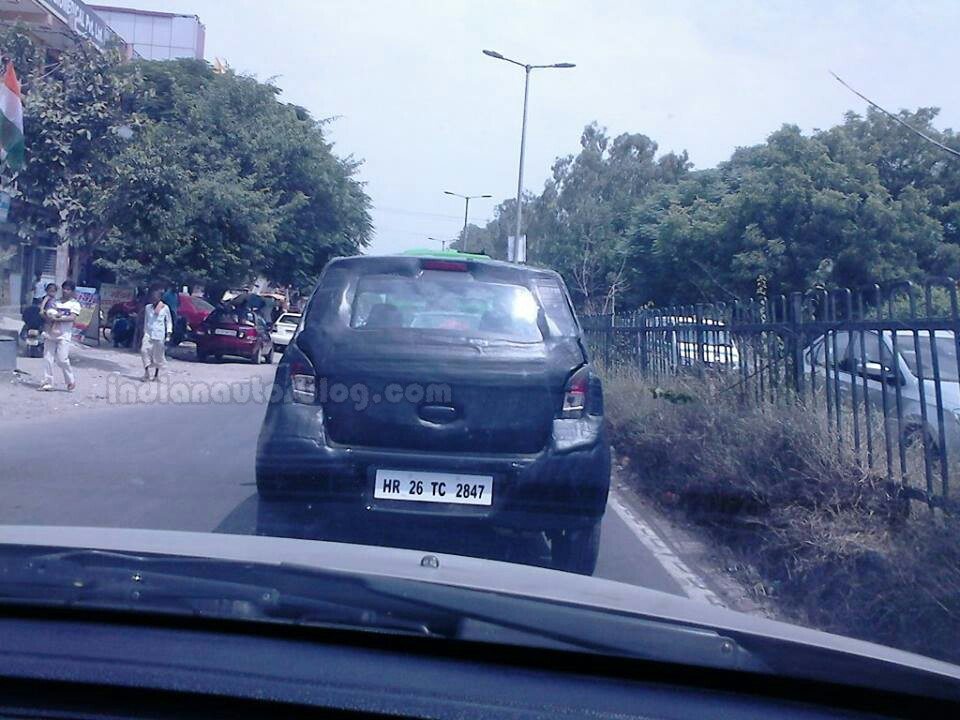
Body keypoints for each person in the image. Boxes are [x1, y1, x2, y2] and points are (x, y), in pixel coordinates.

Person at [39, 280, 81, 392]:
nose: (65, 291)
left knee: (62, 359)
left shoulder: (74, 304)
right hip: (50, 333)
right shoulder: (55, 302)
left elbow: (72, 318)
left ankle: (70, 380)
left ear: (72, 291)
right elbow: (45, 314)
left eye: (68, 289)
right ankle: (47, 383)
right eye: (64, 288)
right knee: (48, 358)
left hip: (64, 334)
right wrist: (45, 313)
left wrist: (59, 318)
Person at [141, 288, 172, 382]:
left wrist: (169, 333)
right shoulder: (148, 308)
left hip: (159, 335)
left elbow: (169, 321)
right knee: (144, 351)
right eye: (152, 298)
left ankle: (156, 375)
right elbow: (146, 320)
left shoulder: (165, 308)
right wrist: (144, 331)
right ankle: (146, 373)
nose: (153, 300)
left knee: (158, 355)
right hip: (148, 333)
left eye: (155, 299)